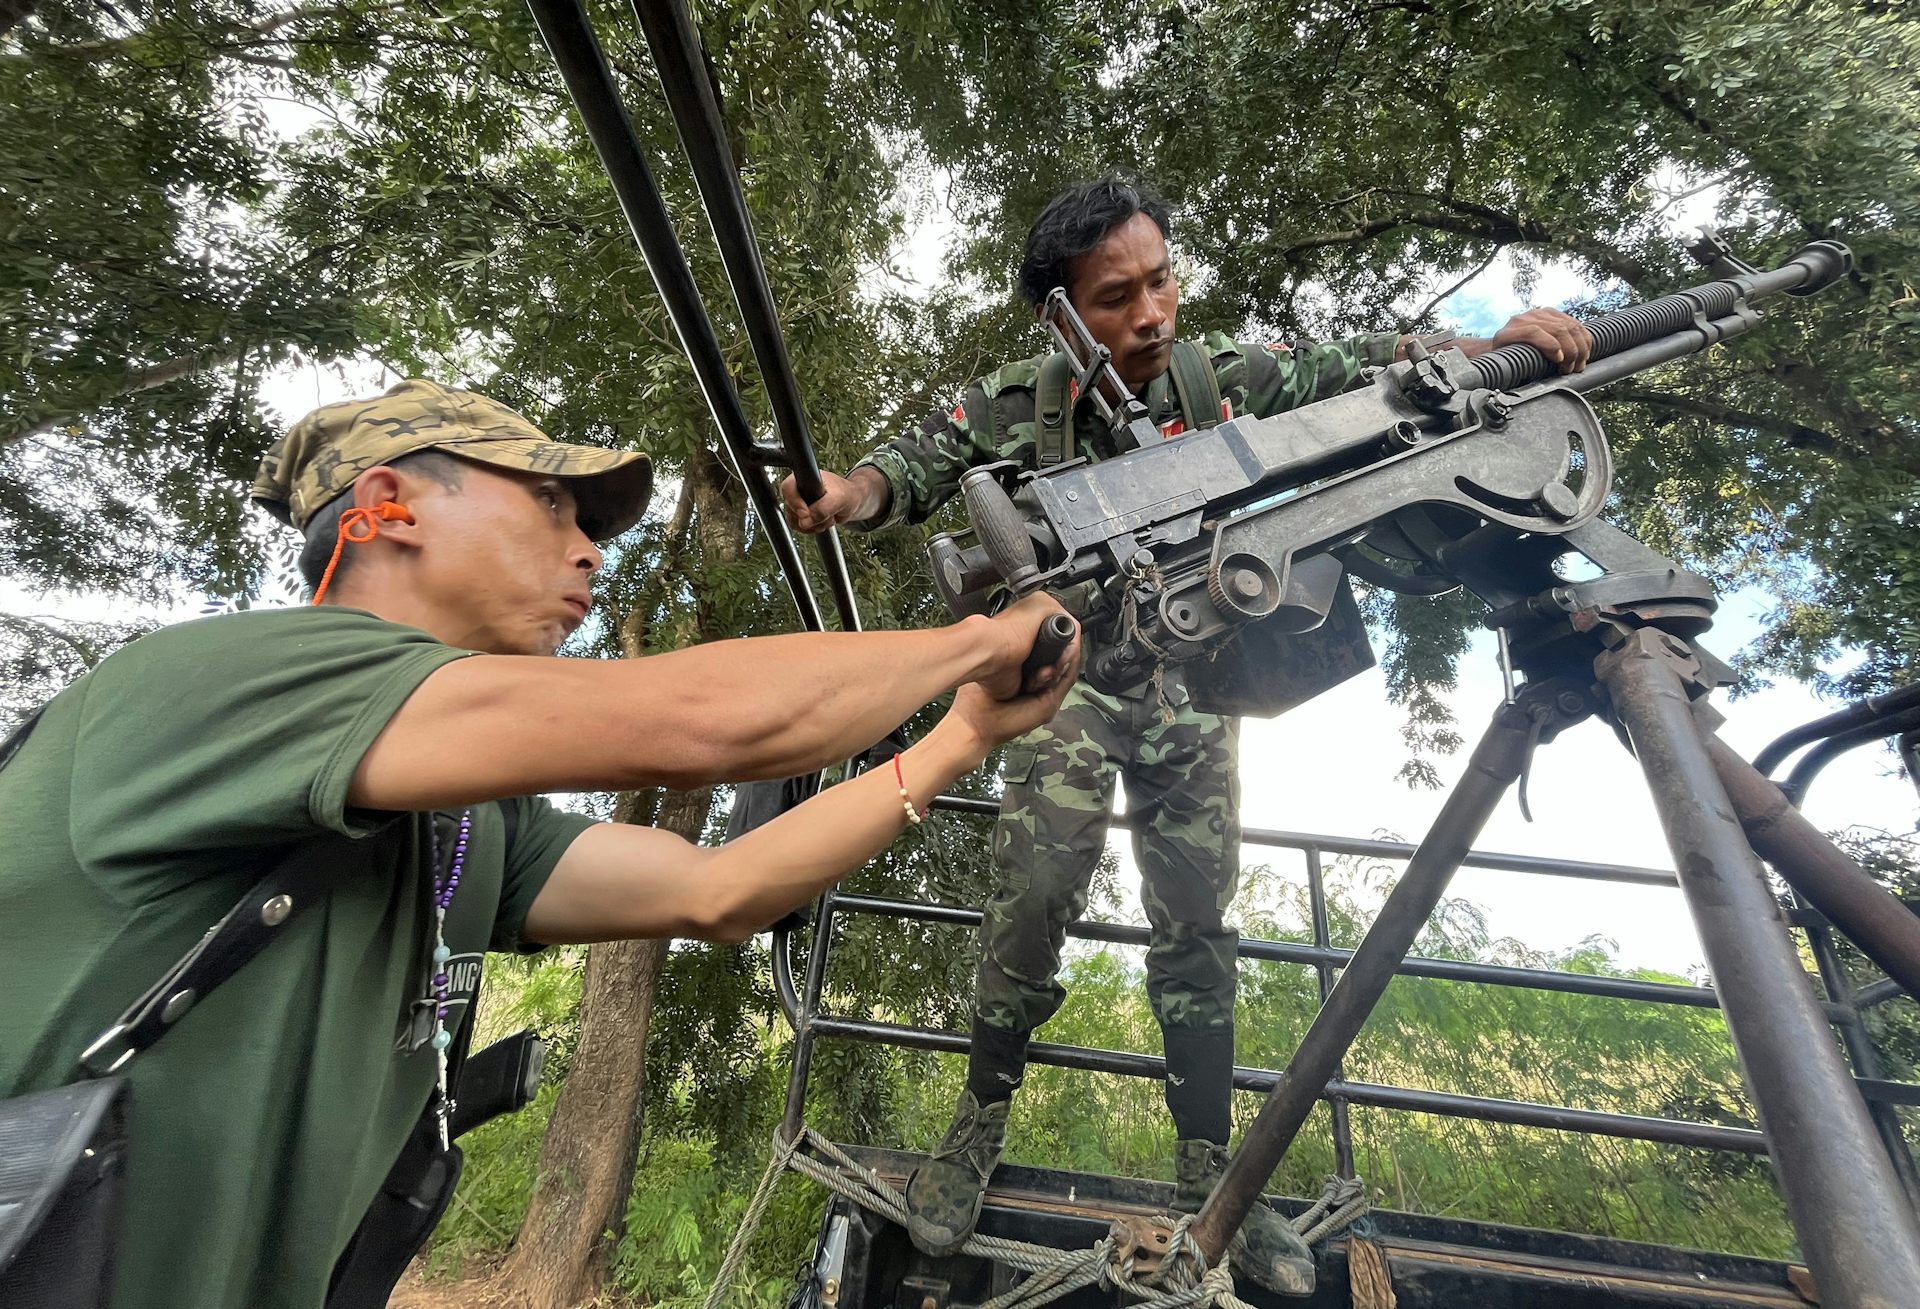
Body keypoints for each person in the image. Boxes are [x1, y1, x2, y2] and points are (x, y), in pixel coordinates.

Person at [0, 377, 1080, 1309]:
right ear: (389, 507)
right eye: (554, 506)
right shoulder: (230, 678)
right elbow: (703, 726)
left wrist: (964, 734)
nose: (588, 555)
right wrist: (979, 640)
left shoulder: (466, 828)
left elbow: (724, 890)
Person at [781, 173, 1593, 1293]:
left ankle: (1212, 1173)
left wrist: (1485, 345)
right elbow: (907, 469)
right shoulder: (1022, 399)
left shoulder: (1225, 380)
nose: (1152, 313)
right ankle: (976, 1125)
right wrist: (845, 491)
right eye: (1117, 296)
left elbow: (1367, 367)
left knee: (1201, 927)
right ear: (1060, 314)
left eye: (1162, 280)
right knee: (1034, 889)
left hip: (1198, 694)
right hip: (1069, 685)